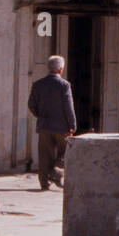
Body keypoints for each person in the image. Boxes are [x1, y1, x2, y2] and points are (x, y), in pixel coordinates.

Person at [28, 55, 76, 191]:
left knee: (44, 155)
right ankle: (56, 171)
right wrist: (72, 125)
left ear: (49, 68)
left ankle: (44, 183)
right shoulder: (64, 85)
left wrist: (40, 115)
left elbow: (31, 104)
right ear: (61, 69)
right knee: (65, 151)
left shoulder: (38, 84)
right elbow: (68, 106)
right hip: (62, 127)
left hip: (44, 126)